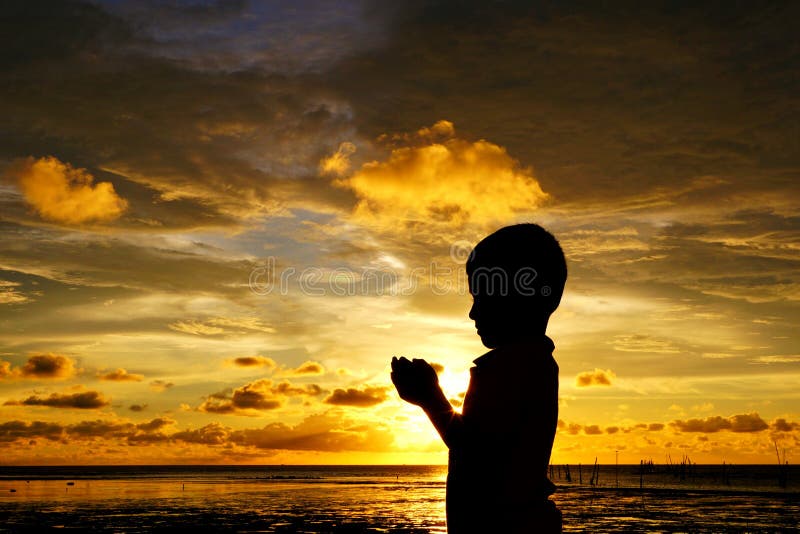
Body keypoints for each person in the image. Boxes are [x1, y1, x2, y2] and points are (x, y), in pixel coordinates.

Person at [391, 223, 566, 533]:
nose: (472, 313)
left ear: (518, 298)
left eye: (481, 297)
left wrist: (430, 398)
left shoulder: (513, 367)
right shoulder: (533, 363)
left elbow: (474, 451)